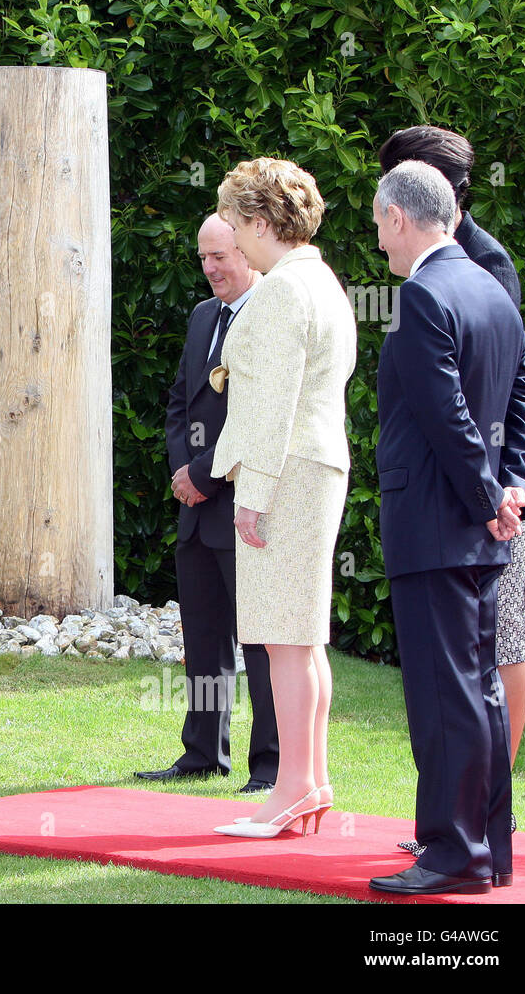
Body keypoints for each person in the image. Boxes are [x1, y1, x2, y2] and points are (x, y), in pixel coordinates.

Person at [368, 161, 525, 896]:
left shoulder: (421, 295)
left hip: (438, 524)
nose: (379, 242)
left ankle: (451, 854)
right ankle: (487, 848)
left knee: (444, 694)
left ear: (402, 218)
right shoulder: (489, 288)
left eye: (379, 225)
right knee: (481, 691)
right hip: (481, 526)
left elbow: (446, 416)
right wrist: (515, 489)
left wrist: (484, 495)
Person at [206, 158, 357, 839]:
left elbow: (271, 402)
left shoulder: (283, 291)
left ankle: (294, 784)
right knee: (302, 636)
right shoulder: (319, 280)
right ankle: (310, 780)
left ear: (264, 222)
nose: (234, 240)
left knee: (283, 639)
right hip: (313, 463)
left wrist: (253, 494)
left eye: (237, 225)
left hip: (286, 470)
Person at [134, 214, 279, 794]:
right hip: (196, 508)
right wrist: (180, 470)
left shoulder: (271, 316)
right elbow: (180, 402)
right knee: (203, 636)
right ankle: (202, 752)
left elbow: (257, 418)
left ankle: (268, 766)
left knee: (262, 642)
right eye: (203, 259)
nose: (212, 268)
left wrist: (204, 475)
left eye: (221, 256)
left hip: (246, 507)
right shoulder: (201, 318)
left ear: (247, 251)